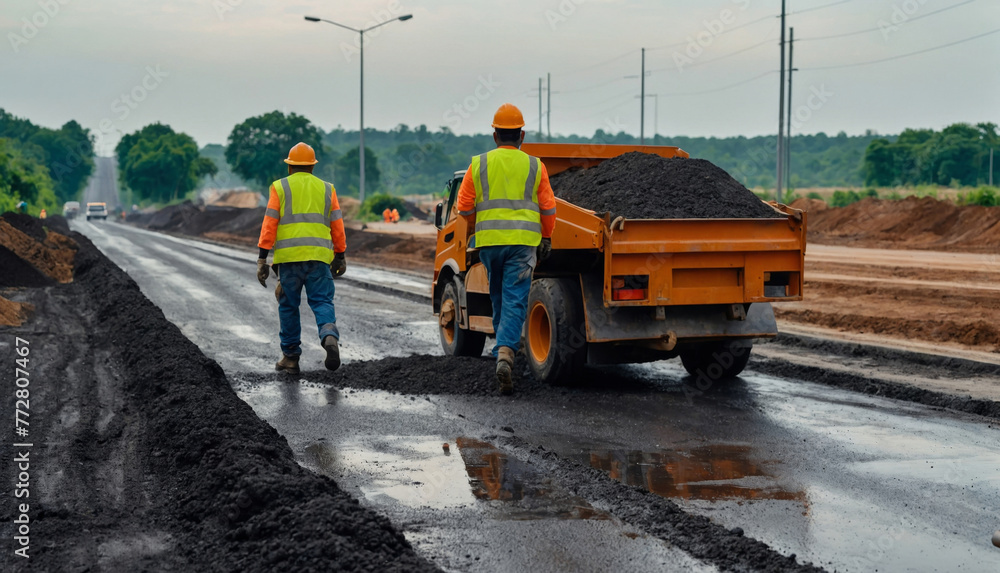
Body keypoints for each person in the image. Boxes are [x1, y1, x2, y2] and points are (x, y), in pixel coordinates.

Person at [455, 103, 557, 393]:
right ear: (521, 135)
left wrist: (478, 226)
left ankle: (501, 348)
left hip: (489, 244)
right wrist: (546, 237)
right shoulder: (535, 165)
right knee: (514, 298)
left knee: (498, 294)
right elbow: (548, 209)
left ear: (495, 135)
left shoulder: (479, 164)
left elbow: (463, 207)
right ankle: (505, 353)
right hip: (523, 244)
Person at [257, 142, 347, 374]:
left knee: (288, 306)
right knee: (322, 302)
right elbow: (337, 225)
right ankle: (328, 335)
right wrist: (340, 255)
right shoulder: (328, 189)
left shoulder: (279, 187)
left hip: (288, 260)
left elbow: (269, 225)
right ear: (312, 167)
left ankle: (290, 358)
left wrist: (262, 259)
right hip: (319, 258)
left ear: (290, 167)